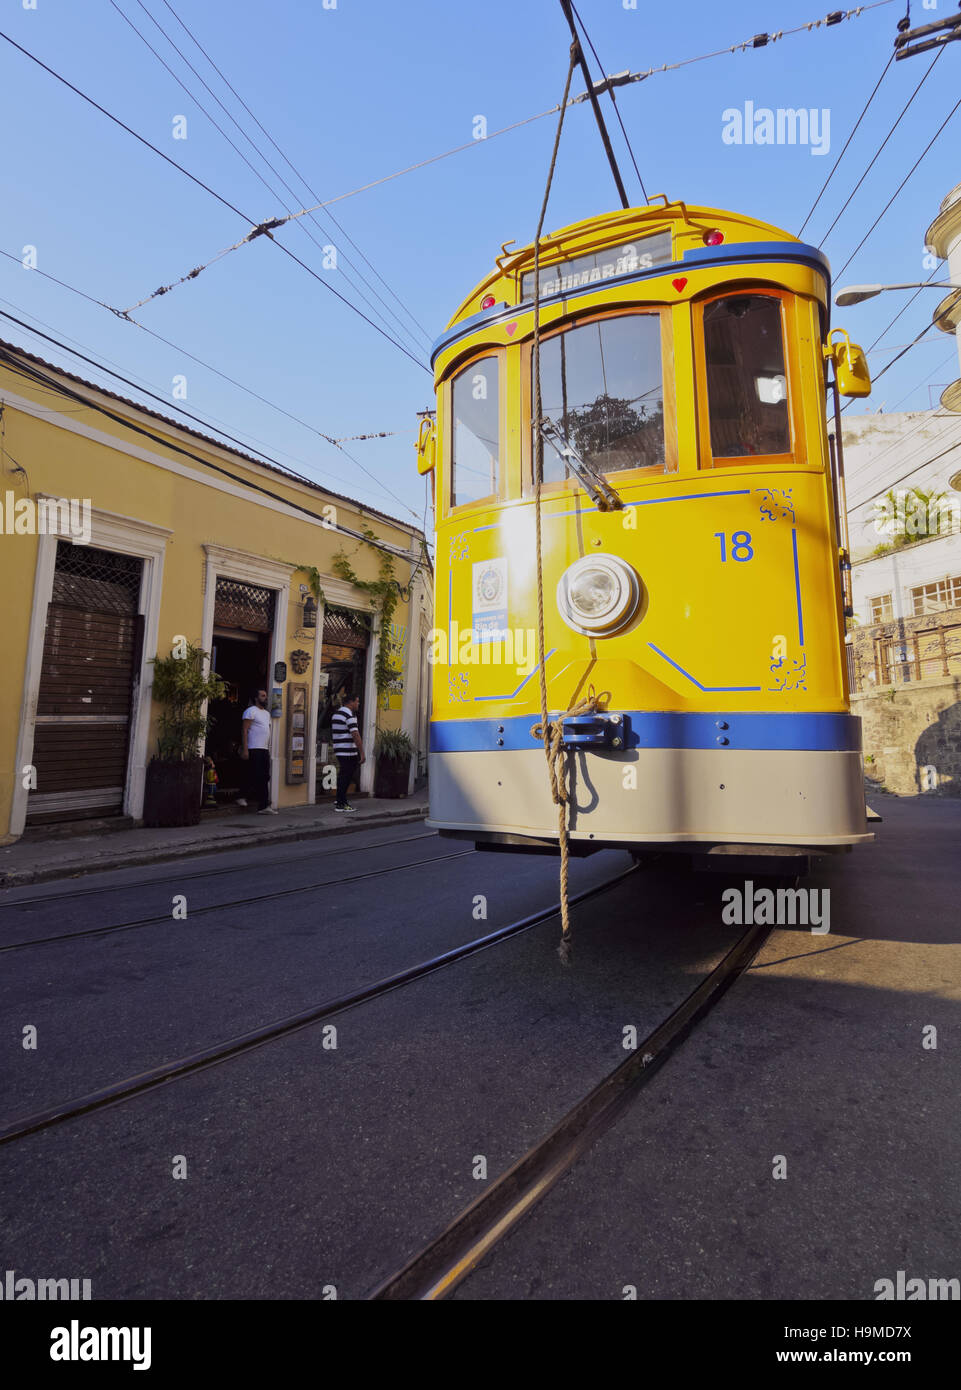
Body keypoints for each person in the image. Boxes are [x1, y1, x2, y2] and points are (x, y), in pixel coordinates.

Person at [238, 688, 276, 814]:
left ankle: (263, 806)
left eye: (266, 696)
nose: (265, 698)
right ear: (256, 698)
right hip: (253, 747)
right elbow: (244, 730)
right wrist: (245, 748)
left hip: (264, 749)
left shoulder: (266, 714)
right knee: (252, 774)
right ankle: (241, 796)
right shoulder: (250, 711)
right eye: (263, 696)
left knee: (265, 776)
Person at [332, 693, 364, 812]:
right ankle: (341, 803)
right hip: (348, 751)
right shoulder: (348, 714)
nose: (358, 704)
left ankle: (340, 798)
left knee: (343, 775)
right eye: (357, 701)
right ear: (351, 702)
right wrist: (362, 752)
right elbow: (355, 734)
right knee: (346, 776)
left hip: (339, 749)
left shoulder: (337, 713)